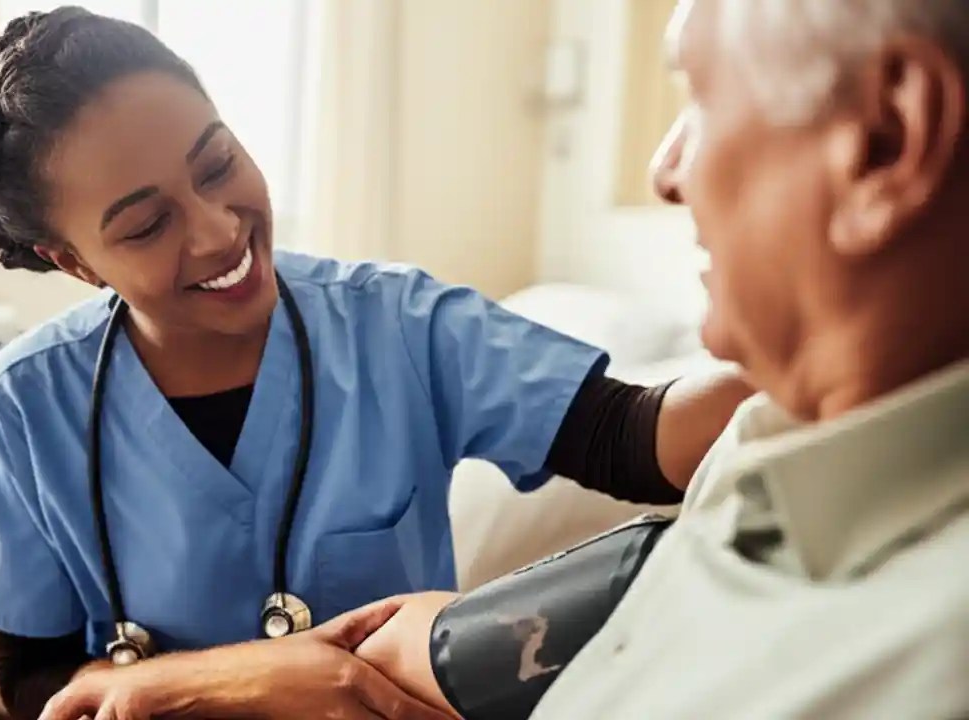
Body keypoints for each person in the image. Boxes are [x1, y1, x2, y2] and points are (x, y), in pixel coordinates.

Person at [0, 7, 755, 720]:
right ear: (73, 262)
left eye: (218, 165)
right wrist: (238, 679)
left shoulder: (396, 323)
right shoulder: (31, 398)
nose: (219, 232)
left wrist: (816, 348)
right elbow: (35, 685)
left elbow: (633, 435)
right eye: (146, 226)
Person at [350, 0, 969, 717]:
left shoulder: (927, 661)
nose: (665, 172)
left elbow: (618, 432)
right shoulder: (760, 441)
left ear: (886, 140)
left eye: (697, 95)